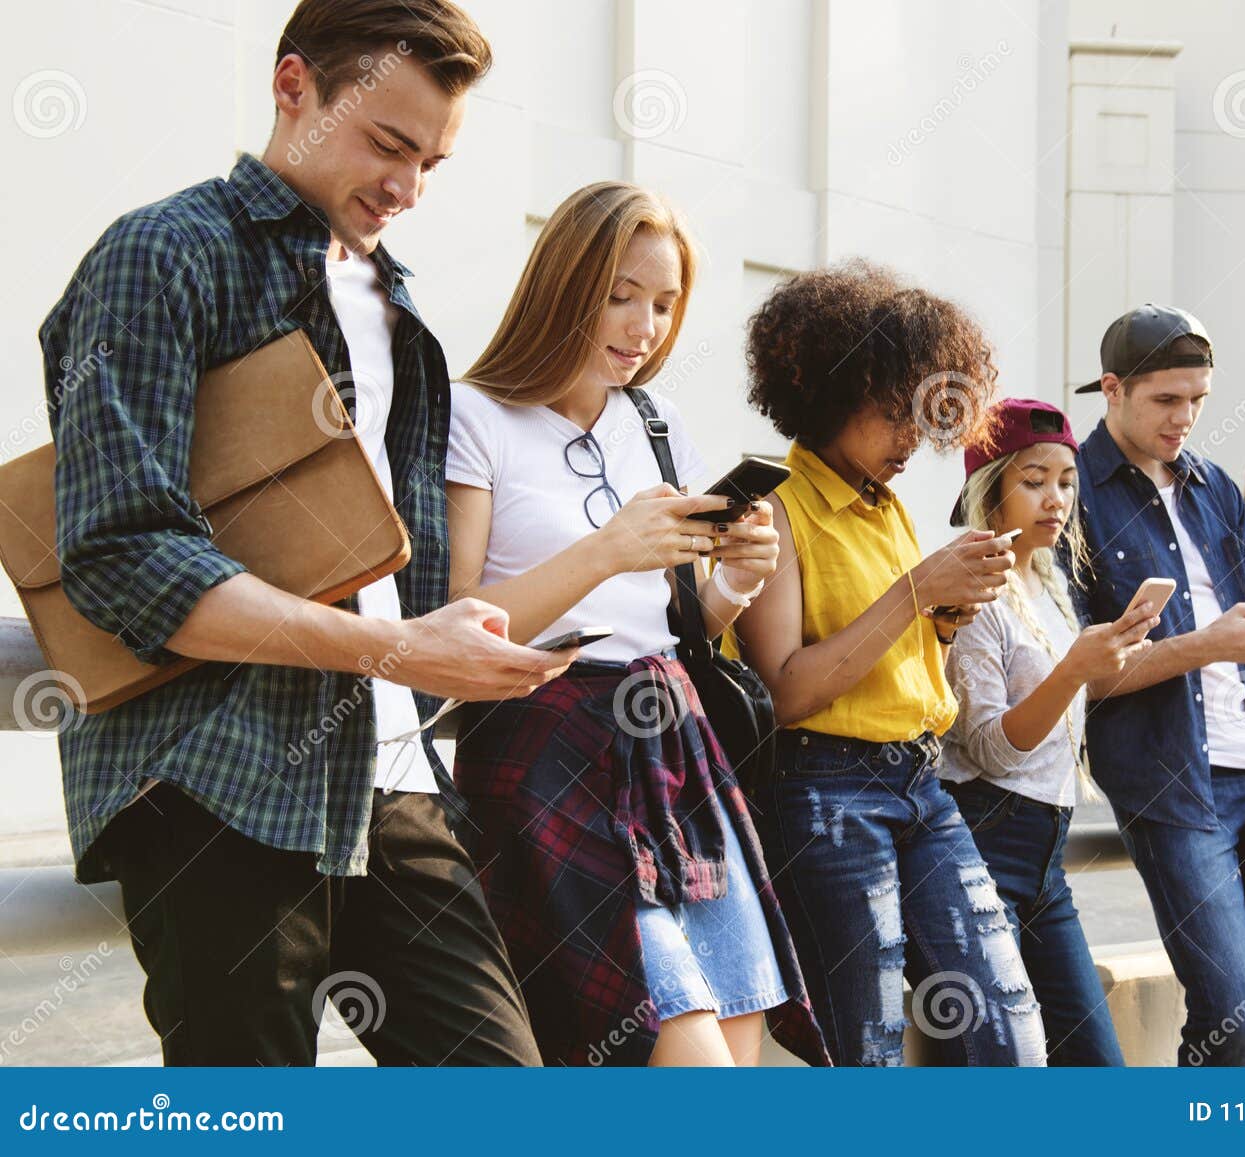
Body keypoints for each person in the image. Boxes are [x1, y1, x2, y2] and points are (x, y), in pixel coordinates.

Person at [41, 0, 561, 1065]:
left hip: (393, 777)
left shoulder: (388, 297)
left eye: (434, 162)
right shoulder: (162, 253)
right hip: (215, 779)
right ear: (294, 89)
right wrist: (400, 649)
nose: (408, 188)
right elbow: (121, 551)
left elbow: (380, 560)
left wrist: (426, 640)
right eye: (387, 144)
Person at [445, 181, 827, 1068]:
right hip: (545, 744)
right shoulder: (477, 415)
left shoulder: (654, 423)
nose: (643, 326)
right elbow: (455, 626)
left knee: (735, 1031)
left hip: (673, 737)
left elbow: (681, 619)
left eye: (663, 303)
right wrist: (609, 548)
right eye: (620, 295)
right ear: (562, 285)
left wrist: (731, 583)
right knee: (675, 1052)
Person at [729, 260, 1048, 1066]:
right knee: (864, 1048)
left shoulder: (890, 505)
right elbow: (789, 691)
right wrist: (917, 591)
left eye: (923, 418)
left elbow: (906, 670)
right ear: (830, 394)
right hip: (825, 788)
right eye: (890, 414)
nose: (912, 439)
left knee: (1010, 1031)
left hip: (921, 782)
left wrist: (943, 616)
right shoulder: (774, 507)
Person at [1068, 304, 1245, 1067]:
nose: (1186, 418)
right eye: (1167, 401)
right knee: (1235, 1013)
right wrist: (1205, 644)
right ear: (1112, 389)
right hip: (1172, 787)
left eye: (1198, 399)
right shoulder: (1069, 492)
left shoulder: (1213, 488)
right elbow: (1082, 675)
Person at [941, 398, 1159, 1065]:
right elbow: (989, 747)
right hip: (983, 842)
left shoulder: (1048, 579)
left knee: (1097, 1065)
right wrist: (1074, 670)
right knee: (999, 1060)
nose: (1055, 498)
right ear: (990, 485)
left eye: (1066, 481)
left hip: (1047, 860)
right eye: (1033, 480)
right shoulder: (972, 585)